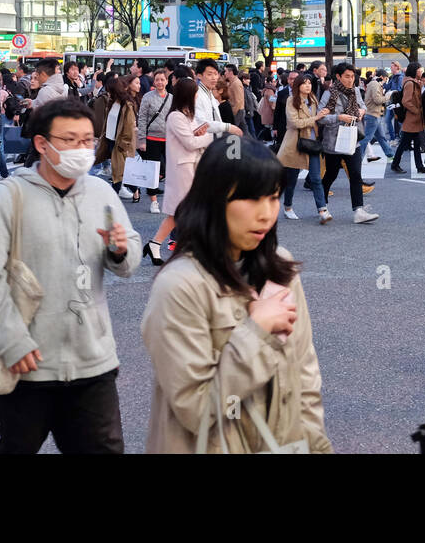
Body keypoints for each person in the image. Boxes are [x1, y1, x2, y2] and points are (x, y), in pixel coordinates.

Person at [0, 97, 140, 453]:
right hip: (28, 365)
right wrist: (11, 341)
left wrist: (120, 250)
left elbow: (128, 260)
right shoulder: (7, 196)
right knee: (18, 446)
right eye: (70, 139)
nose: (83, 148)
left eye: (88, 140)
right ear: (41, 144)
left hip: (93, 361)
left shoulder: (100, 192)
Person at [140, 136, 332, 453]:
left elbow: (305, 377)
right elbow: (196, 409)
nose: (266, 214)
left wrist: (315, 443)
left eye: (273, 198)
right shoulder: (179, 287)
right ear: (214, 200)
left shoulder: (280, 268)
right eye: (251, 200)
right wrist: (256, 333)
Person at [145, 77, 215, 265]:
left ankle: (156, 244)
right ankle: (191, 248)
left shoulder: (185, 114)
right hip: (183, 168)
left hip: (189, 165)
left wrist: (200, 133)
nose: (197, 96)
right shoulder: (176, 116)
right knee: (185, 211)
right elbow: (190, 143)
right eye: (194, 93)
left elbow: (191, 138)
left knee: (179, 212)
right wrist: (208, 137)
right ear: (188, 95)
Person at [317, 63, 380, 224]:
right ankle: (321, 205)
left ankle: (358, 210)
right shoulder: (329, 93)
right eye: (347, 76)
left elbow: (363, 105)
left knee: (356, 175)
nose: (350, 80)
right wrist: (339, 117)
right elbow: (321, 117)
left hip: (353, 139)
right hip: (334, 142)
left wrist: (361, 111)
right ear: (338, 76)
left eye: (352, 76)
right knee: (331, 174)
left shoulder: (356, 90)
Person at [278, 72, 331, 222]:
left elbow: (316, 120)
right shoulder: (291, 100)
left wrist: (325, 116)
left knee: (315, 178)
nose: (308, 86)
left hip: (312, 143)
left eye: (309, 83)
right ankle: (288, 207)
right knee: (292, 178)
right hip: (296, 143)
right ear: (298, 86)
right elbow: (295, 123)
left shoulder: (313, 98)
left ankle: (323, 210)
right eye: (304, 83)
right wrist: (317, 117)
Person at [136, 68, 173, 215]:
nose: (160, 82)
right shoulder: (147, 97)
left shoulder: (171, 98)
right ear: (154, 81)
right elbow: (142, 119)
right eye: (157, 80)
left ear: (167, 81)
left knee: (167, 170)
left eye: (162, 79)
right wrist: (142, 140)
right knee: (153, 171)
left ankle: (170, 201)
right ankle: (153, 201)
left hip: (168, 139)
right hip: (151, 139)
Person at [97, 75, 139, 202]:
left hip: (119, 143)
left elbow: (128, 127)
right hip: (109, 140)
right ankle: (135, 190)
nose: (107, 92)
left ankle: (113, 197)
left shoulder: (127, 105)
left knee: (118, 171)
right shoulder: (111, 103)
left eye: (109, 90)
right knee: (120, 171)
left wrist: (123, 144)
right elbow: (108, 122)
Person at [389, 63, 425, 175]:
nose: (421, 72)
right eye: (420, 70)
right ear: (415, 71)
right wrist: (416, 111)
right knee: (404, 143)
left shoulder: (413, 82)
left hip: (414, 119)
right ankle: (395, 165)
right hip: (411, 119)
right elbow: (406, 101)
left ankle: (419, 167)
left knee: (415, 144)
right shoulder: (410, 83)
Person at [362, 69, 395, 162]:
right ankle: (357, 158)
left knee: (381, 137)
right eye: (385, 79)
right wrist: (388, 96)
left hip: (374, 114)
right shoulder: (375, 84)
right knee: (366, 138)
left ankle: (390, 155)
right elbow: (377, 100)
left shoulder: (374, 84)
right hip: (372, 115)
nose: (385, 81)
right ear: (382, 77)